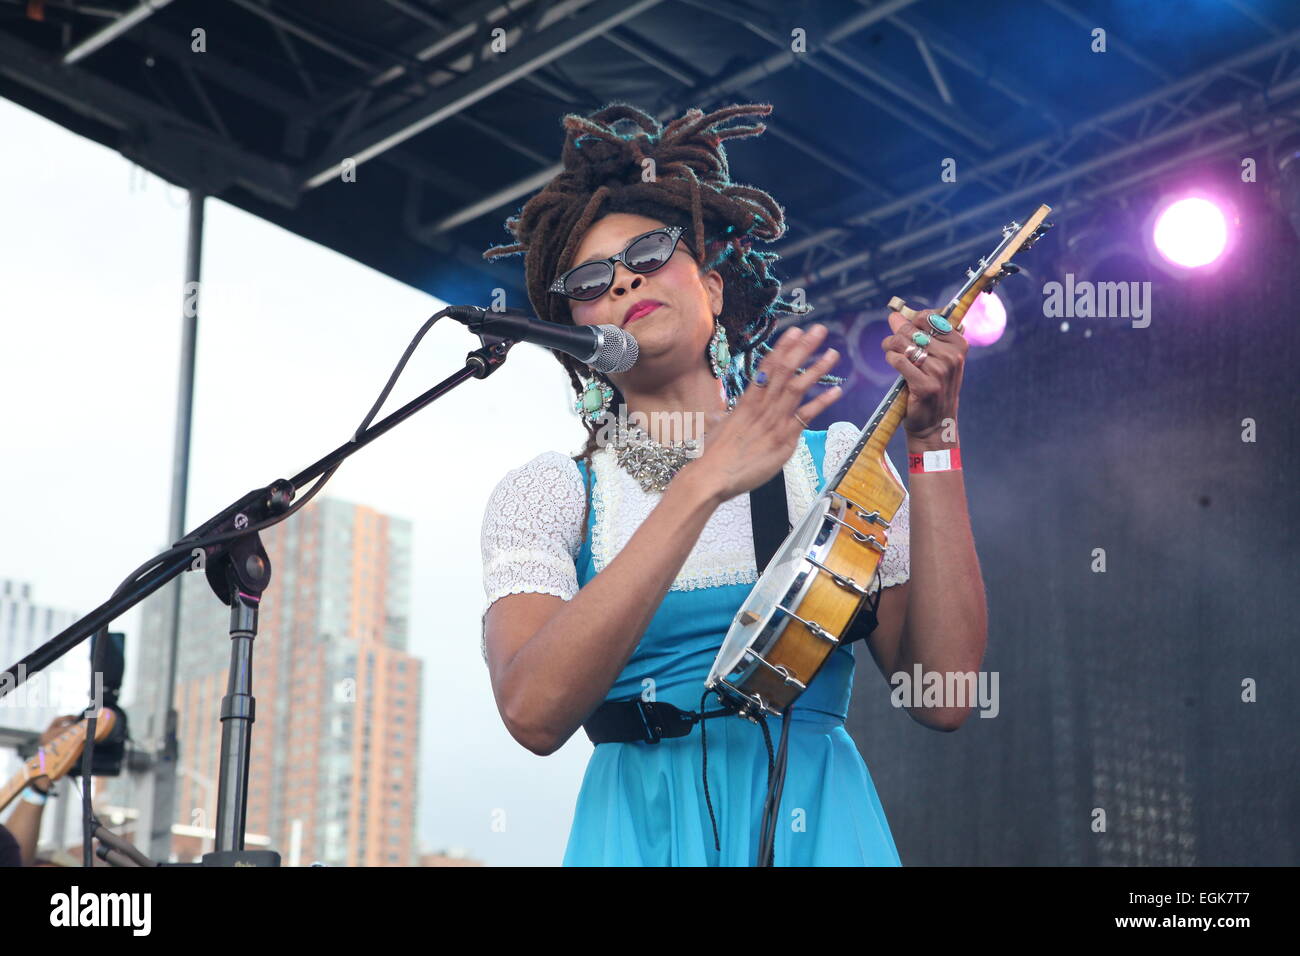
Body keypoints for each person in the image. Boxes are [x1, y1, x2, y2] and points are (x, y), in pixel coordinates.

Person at [479, 102, 988, 866]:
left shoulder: (834, 462)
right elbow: (534, 714)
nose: (622, 279)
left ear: (714, 288)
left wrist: (933, 440)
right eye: (589, 279)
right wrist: (702, 484)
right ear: (579, 340)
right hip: (638, 834)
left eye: (650, 251)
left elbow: (943, 696)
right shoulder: (553, 495)